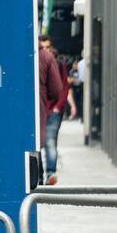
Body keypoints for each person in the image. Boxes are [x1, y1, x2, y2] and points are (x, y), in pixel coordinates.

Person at [40, 36, 69, 183]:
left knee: (49, 142)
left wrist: (57, 107)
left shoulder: (56, 63)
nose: (46, 50)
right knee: (39, 142)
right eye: (43, 47)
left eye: (48, 47)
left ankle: (50, 173)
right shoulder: (47, 60)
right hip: (43, 109)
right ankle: (41, 175)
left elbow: (63, 88)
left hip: (51, 111)